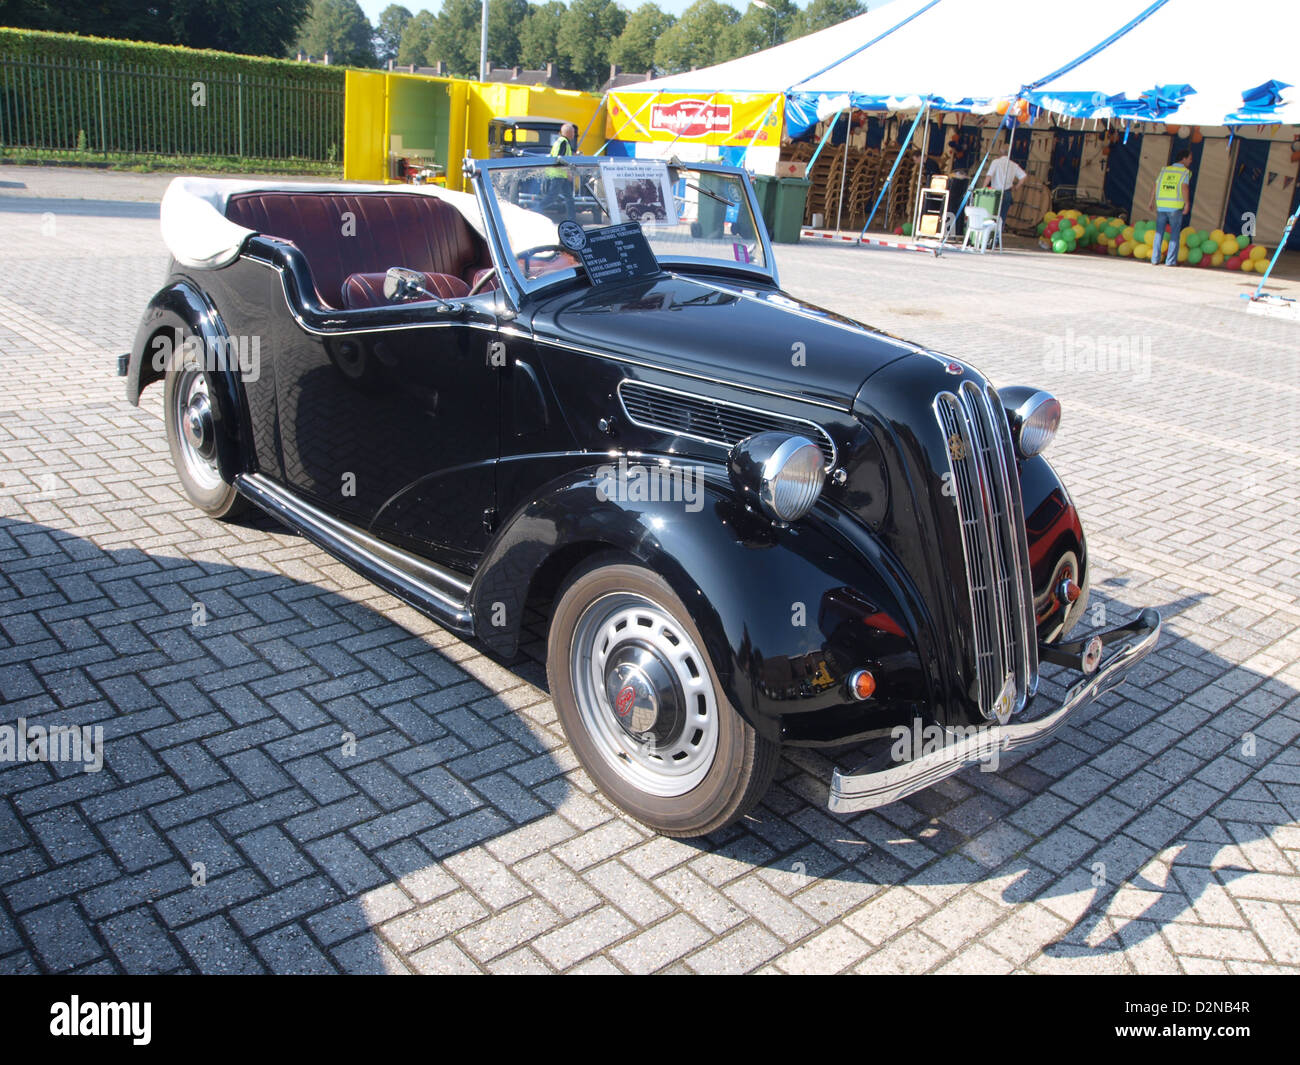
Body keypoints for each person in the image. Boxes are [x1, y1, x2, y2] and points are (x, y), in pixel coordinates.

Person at [1149, 149, 1193, 266]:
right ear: (1183, 158)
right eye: (1189, 158)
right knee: (1174, 234)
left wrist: (1151, 200)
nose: (1190, 161)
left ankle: (1155, 259)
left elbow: (1156, 185)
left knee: (1159, 233)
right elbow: (1184, 188)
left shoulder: (1165, 170)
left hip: (1161, 206)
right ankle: (1170, 261)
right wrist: (1187, 203)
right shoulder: (1185, 172)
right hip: (1175, 207)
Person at [542, 122, 578, 220]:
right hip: (559, 175)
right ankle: (536, 210)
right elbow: (560, 159)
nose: (574, 135)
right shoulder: (563, 142)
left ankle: (572, 219)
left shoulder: (561, 141)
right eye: (573, 132)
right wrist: (568, 172)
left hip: (561, 175)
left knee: (569, 198)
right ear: (569, 133)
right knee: (552, 197)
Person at [983, 152, 1026, 223]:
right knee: (1002, 217)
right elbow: (1023, 176)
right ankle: (999, 232)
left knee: (991, 216)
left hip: (995, 193)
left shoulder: (996, 162)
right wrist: (1016, 188)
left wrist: (983, 188)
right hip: (1007, 193)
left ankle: (990, 233)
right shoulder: (1013, 164)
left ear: (1000, 153)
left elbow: (989, 176)